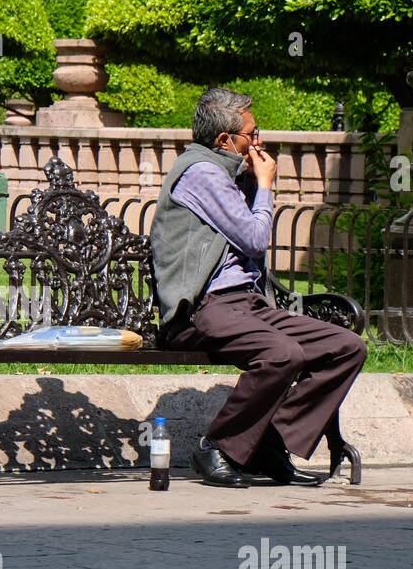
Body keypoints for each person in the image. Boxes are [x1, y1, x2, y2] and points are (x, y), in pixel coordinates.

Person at [151, 87, 368, 487]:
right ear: (224, 140)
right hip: (203, 308)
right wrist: (265, 186)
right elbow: (253, 238)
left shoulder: (229, 174)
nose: (258, 141)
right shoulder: (200, 172)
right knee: (282, 354)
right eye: (251, 134)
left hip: (248, 305)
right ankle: (215, 447)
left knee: (345, 347)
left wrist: (252, 181)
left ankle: (268, 443)